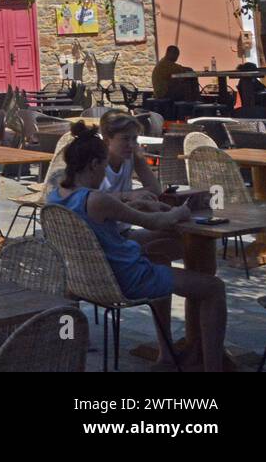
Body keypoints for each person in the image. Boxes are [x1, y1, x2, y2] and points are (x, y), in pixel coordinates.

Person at [48, 123, 227, 371]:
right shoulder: (97, 200)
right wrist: (181, 210)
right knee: (213, 287)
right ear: (93, 165)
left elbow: (123, 211)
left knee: (160, 255)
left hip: (86, 279)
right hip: (127, 278)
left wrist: (137, 203)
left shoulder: (56, 196)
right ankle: (212, 367)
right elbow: (155, 222)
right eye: (103, 166)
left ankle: (167, 357)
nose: (105, 173)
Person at [94, 109, 181, 262]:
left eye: (135, 139)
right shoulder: (97, 162)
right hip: (102, 239)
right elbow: (90, 198)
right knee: (165, 246)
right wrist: (128, 195)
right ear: (107, 139)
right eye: (125, 139)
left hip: (123, 232)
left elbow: (155, 189)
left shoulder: (131, 156)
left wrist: (140, 158)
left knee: (182, 237)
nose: (131, 145)